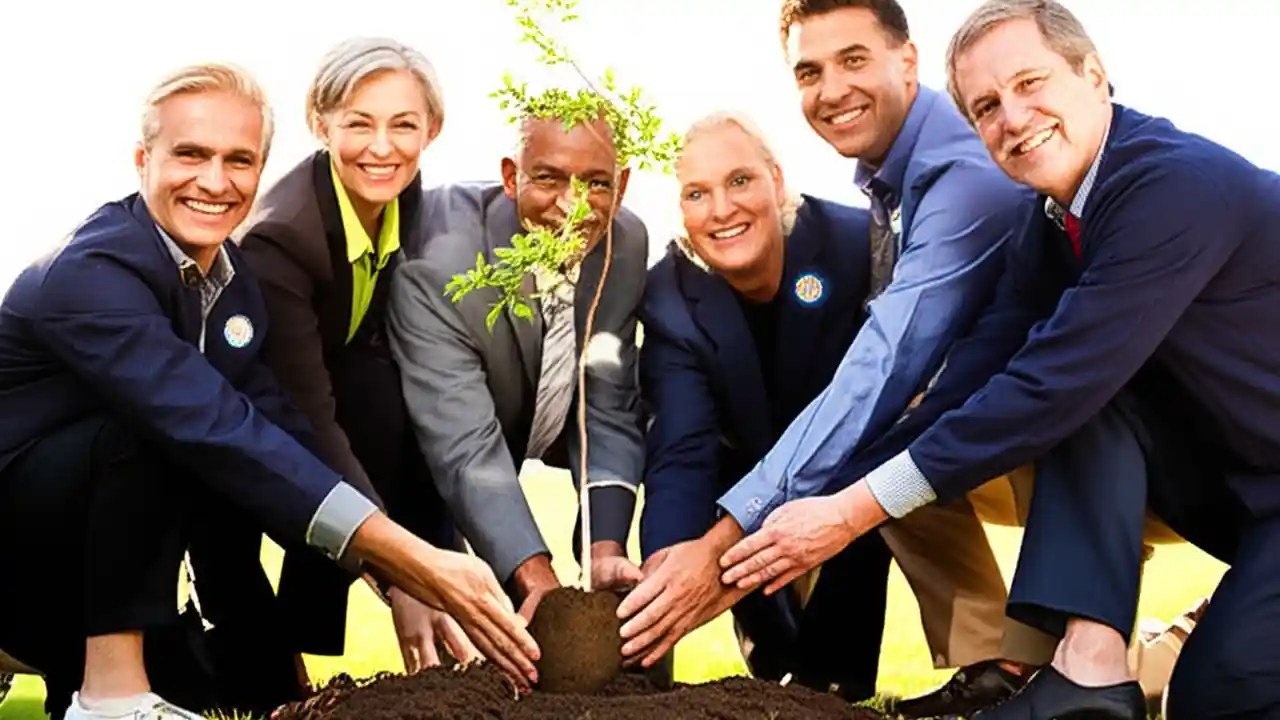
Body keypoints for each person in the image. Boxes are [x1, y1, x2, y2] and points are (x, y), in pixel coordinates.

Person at [718, 1, 1280, 717]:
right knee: (1070, 391)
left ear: (1095, 76)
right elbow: (971, 381)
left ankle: (1186, 645)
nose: (1012, 118)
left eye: (1030, 84)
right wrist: (810, 512)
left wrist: (849, 512)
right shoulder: (1044, 226)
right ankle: (1089, 666)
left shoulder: (1175, 188)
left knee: (1220, 695)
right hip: (1237, 490)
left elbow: (1046, 387)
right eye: (985, 106)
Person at [0, 62, 538, 720]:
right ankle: (108, 697)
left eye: (239, 160)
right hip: (22, 533)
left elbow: (281, 427)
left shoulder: (229, 280)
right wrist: (413, 557)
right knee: (164, 432)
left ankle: (210, 681)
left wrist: (393, 572)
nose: (214, 181)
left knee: (211, 685)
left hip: (95, 549)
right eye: (191, 155)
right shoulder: (91, 274)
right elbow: (213, 425)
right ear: (144, 160)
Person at [617, 1, 1051, 714]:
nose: (833, 89)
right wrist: (676, 556)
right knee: (884, 458)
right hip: (953, 437)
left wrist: (727, 542)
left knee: (881, 458)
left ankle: (1040, 663)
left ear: (907, 61)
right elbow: (681, 441)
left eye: (855, 59)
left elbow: (883, 368)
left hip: (1085, 444)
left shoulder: (941, 188)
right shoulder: (677, 290)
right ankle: (995, 671)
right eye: (810, 71)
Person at [237, 37, 477, 696]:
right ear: (321, 124)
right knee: (357, 411)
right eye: (358, 123)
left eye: (403, 124)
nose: (383, 146)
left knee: (402, 393)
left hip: (340, 389)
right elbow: (310, 418)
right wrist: (400, 571)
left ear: (432, 128)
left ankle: (443, 611)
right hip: (240, 413)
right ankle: (283, 668)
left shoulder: (402, 196)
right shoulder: (283, 238)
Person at [638, 110, 893, 701]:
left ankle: (834, 690)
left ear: (777, 181)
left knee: (871, 477)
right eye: (697, 194)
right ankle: (774, 676)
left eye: (739, 181)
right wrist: (669, 567)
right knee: (718, 510)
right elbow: (681, 444)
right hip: (743, 469)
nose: (722, 209)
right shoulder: (669, 295)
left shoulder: (857, 245)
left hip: (854, 457)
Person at [387, 109, 648, 622]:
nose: (574, 208)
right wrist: (534, 578)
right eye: (549, 178)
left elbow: (608, 399)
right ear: (511, 177)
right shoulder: (443, 265)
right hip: (415, 450)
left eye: (596, 183)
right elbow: (463, 443)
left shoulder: (624, 244)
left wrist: (606, 547)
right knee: (460, 645)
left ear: (620, 187)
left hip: (532, 420)